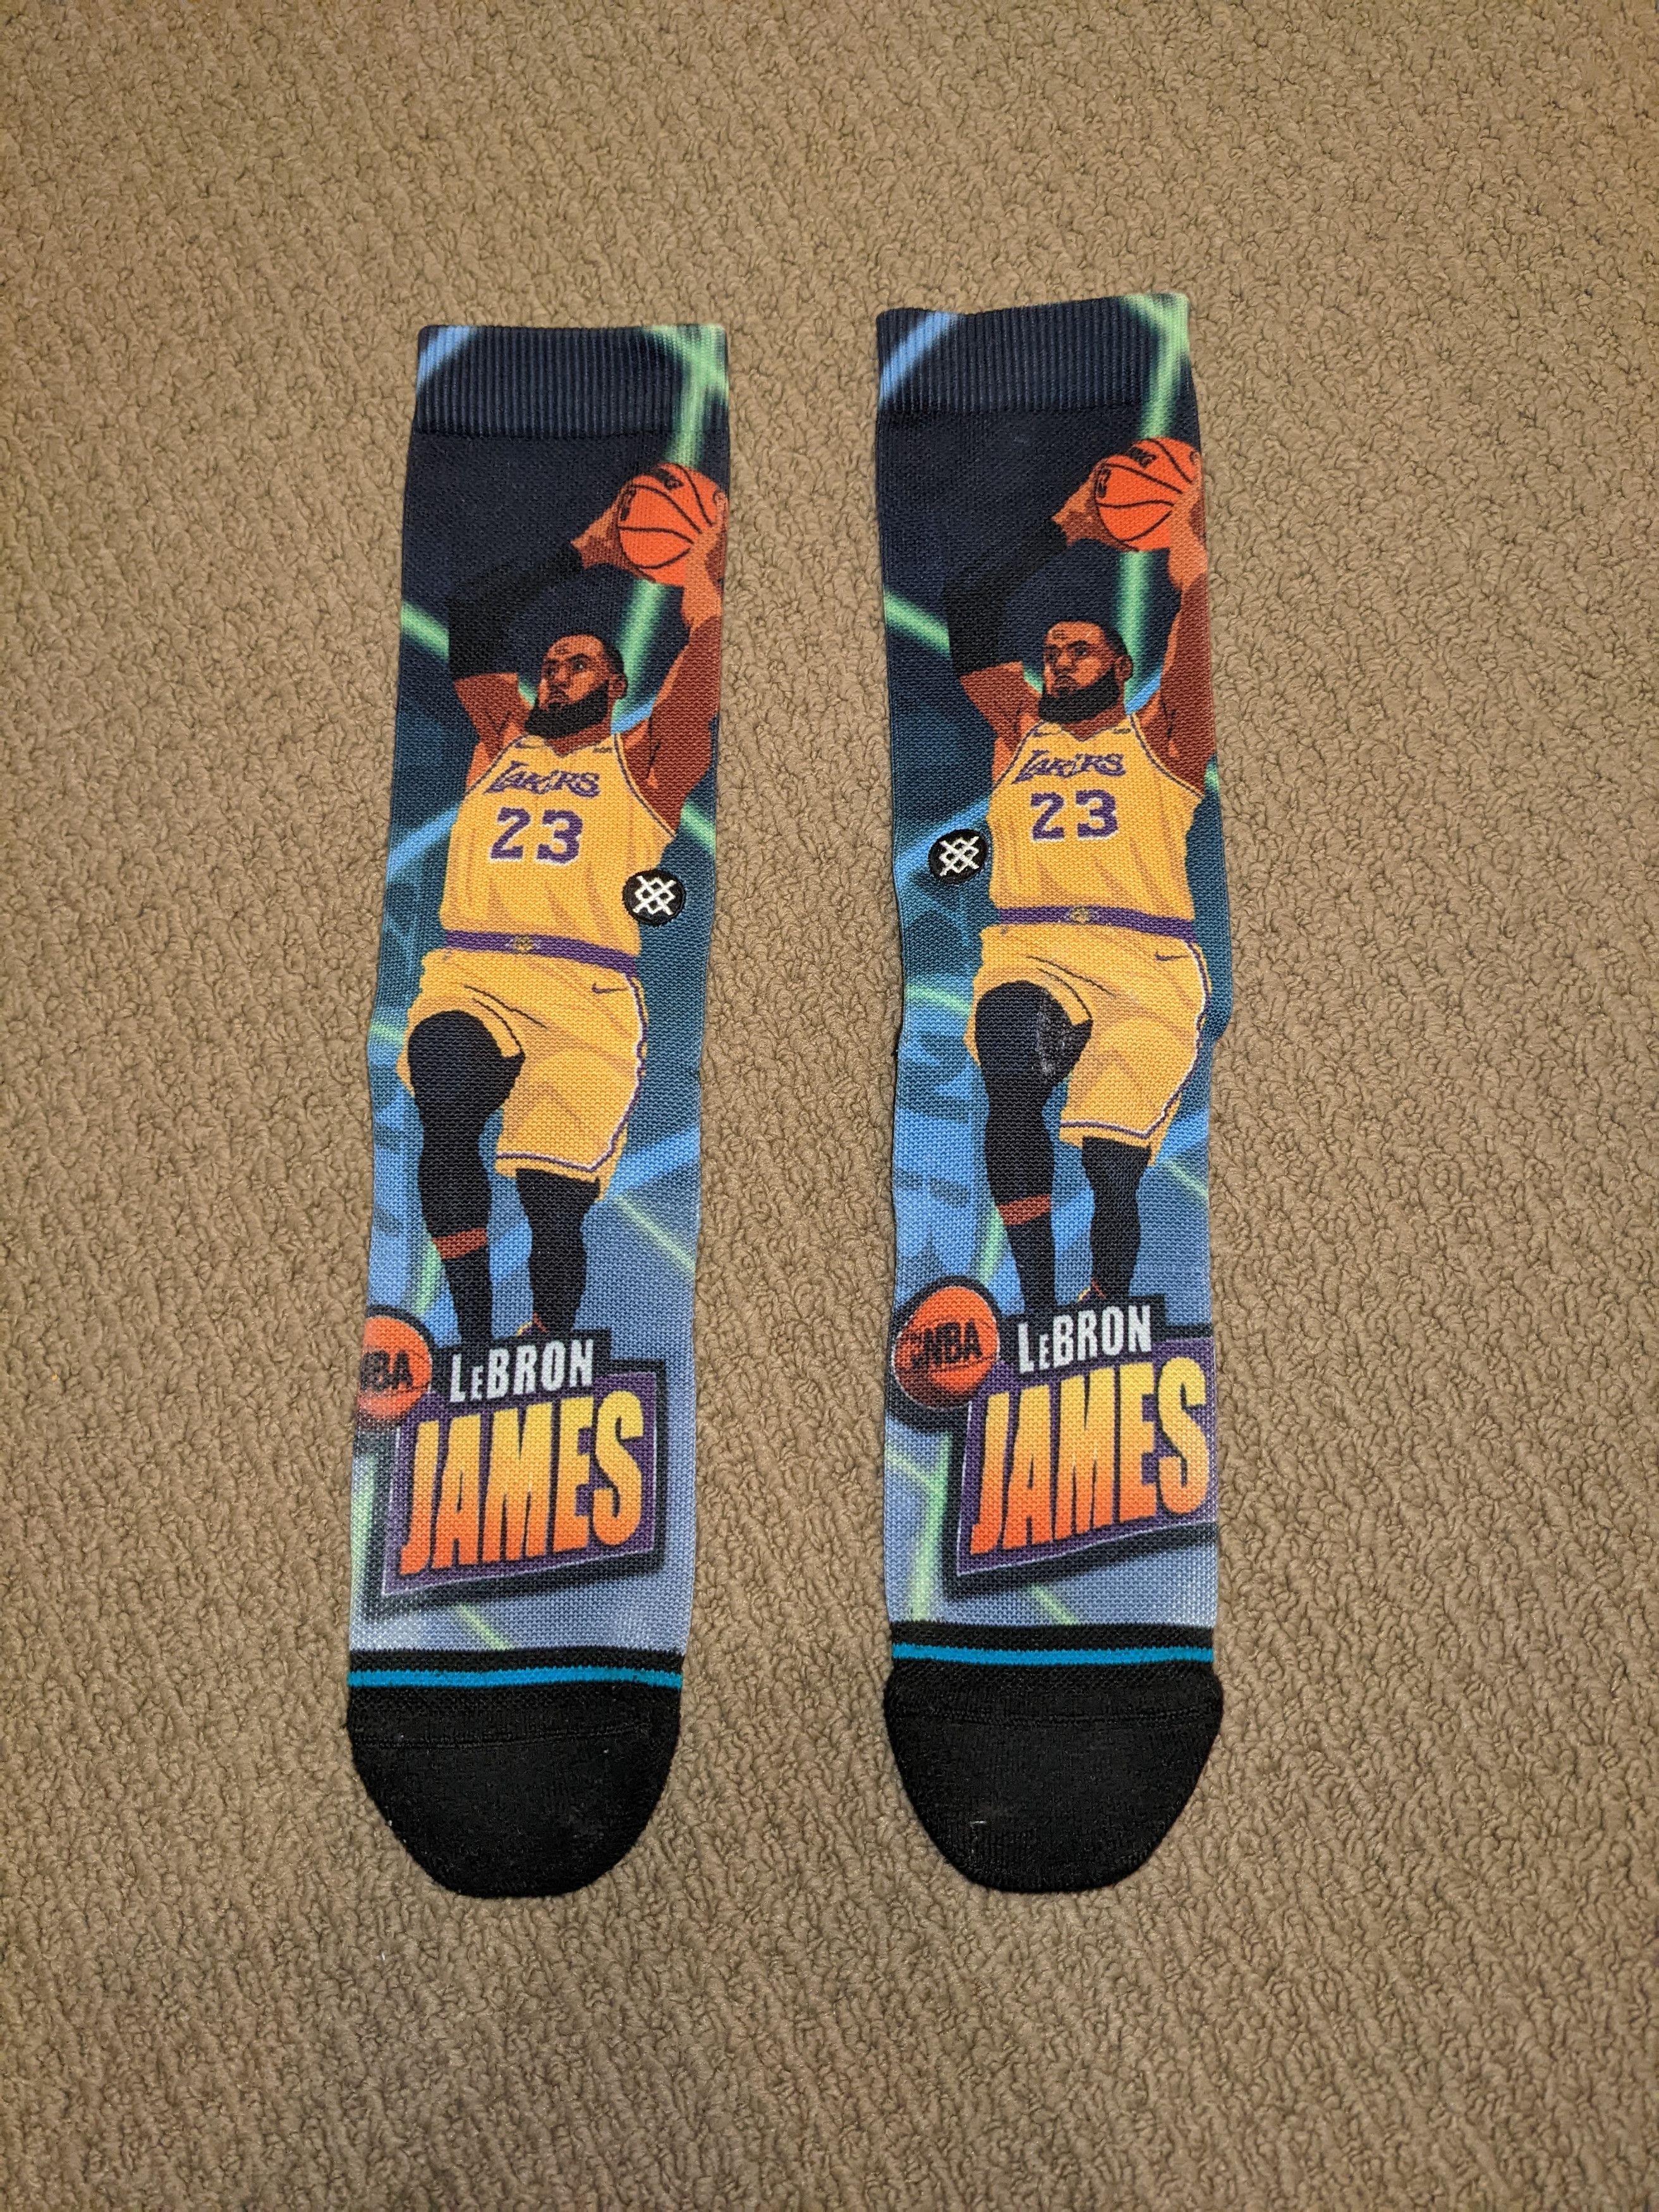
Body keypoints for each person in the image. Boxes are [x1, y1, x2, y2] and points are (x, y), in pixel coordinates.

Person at [399, 471, 725, 1342]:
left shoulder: (647, 760)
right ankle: (473, 1335)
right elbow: (473, 614)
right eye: (548, 665)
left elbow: (708, 662)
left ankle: (545, 1343)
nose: (555, 674)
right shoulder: (500, 740)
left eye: (578, 663)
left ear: (617, 685)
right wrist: (582, 552)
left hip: (586, 993)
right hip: (474, 972)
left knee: (552, 1202)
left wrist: (701, 579)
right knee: (443, 1091)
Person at [943, 447, 1213, 1314]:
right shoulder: (1019, 729)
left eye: (1080, 650)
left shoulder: (1165, 736)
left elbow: (1198, 627)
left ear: (1122, 668)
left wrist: (1186, 541)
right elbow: (970, 605)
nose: (1058, 661)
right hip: (1034, 943)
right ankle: (1035, 1305)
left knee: (1109, 1165)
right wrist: (1068, 526)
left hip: (1148, 962)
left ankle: (1102, 1308)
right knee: (1007, 1052)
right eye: (1052, 651)